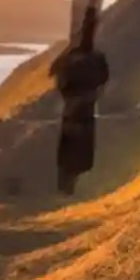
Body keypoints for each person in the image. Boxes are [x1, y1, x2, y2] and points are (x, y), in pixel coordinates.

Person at [49, 36, 110, 195]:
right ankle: (67, 186)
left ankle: (68, 187)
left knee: (74, 153)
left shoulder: (81, 60)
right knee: (75, 153)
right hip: (79, 116)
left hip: (78, 116)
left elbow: (61, 80)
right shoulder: (91, 59)